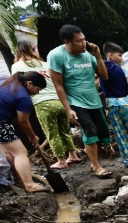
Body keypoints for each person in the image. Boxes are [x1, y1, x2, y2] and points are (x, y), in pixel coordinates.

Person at [48, 24, 113, 179]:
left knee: (100, 134)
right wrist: (68, 109)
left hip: (94, 100)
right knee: (89, 131)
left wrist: (97, 56)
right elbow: (58, 85)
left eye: (84, 39)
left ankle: (95, 163)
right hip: (76, 101)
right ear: (67, 42)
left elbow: (104, 76)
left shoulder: (88, 54)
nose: (84, 43)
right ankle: (97, 167)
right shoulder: (56, 55)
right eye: (79, 41)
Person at [11, 41, 81, 170]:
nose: (37, 51)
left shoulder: (17, 67)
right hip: (60, 101)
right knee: (65, 131)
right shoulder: (46, 64)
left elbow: (18, 86)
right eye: (35, 49)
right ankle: (73, 155)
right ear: (30, 50)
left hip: (42, 103)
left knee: (52, 133)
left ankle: (61, 160)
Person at [99, 42, 128, 168]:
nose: (121, 58)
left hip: (112, 104)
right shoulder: (122, 70)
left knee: (120, 133)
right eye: (119, 55)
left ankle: (127, 160)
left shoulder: (100, 70)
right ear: (110, 55)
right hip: (125, 103)